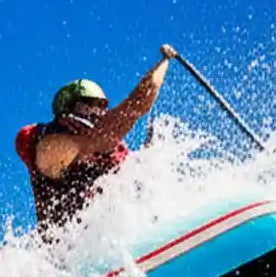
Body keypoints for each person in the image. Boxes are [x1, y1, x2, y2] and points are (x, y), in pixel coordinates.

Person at [15, 44, 177, 232]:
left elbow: (134, 109)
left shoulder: (114, 151)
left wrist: (148, 158)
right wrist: (164, 62)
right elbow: (134, 106)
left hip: (110, 234)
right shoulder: (40, 139)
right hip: (64, 244)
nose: (98, 112)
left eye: (102, 107)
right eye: (90, 105)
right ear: (66, 110)